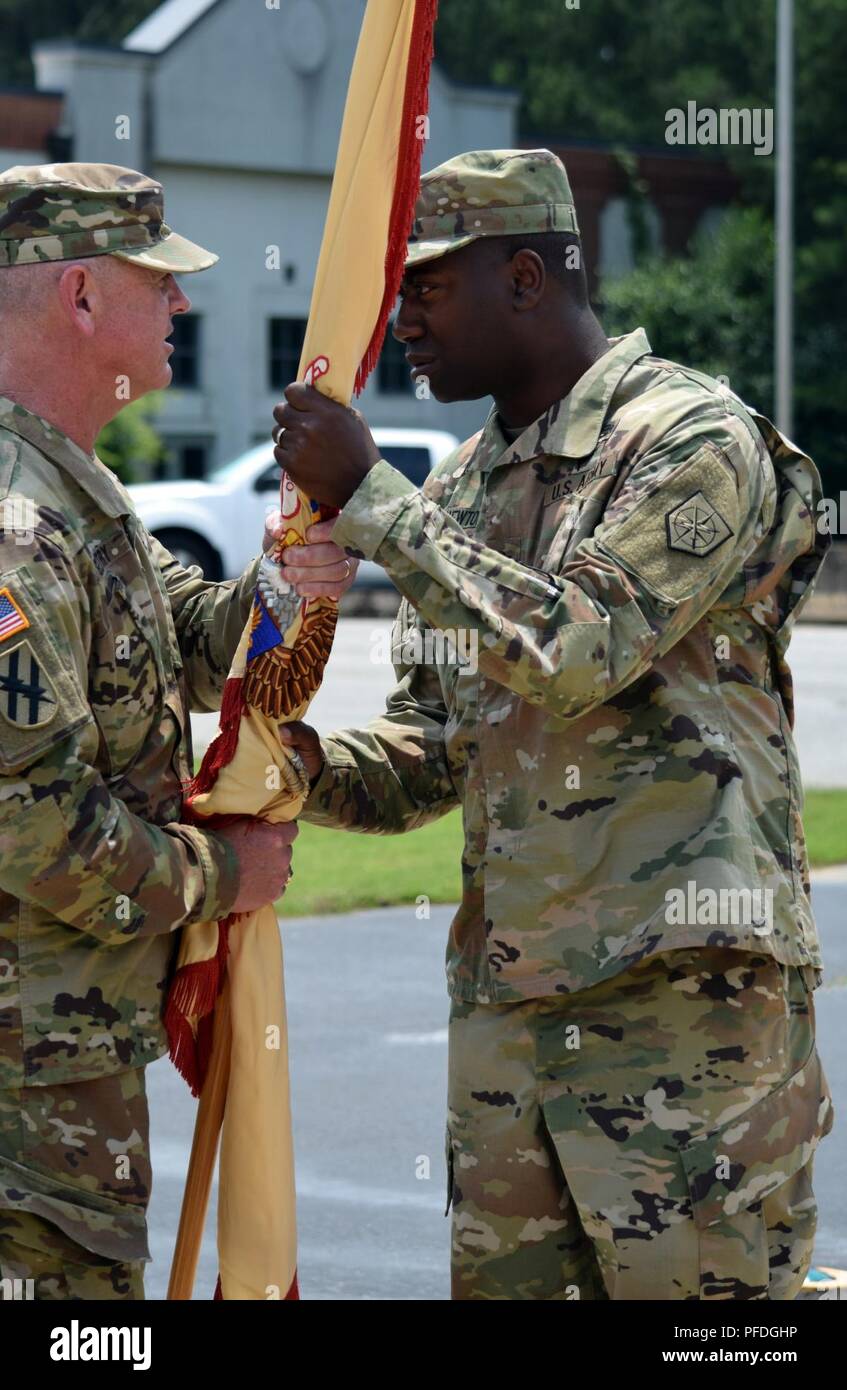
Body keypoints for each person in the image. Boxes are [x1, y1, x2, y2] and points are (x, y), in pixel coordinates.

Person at [273, 148, 834, 1300]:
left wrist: (374, 501)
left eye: (424, 288)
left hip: (682, 1011)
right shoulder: (465, 489)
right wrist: (286, 761)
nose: (402, 326)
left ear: (524, 278)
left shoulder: (688, 439)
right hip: (510, 1019)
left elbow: (575, 649)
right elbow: (428, 753)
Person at [0, 162, 355, 1300]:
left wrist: (292, 576)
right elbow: (31, 823)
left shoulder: (75, 495)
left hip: (63, 1050)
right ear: (81, 300)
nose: (183, 307)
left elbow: (203, 637)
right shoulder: (16, 526)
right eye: (159, 281)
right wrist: (225, 873)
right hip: (25, 1078)